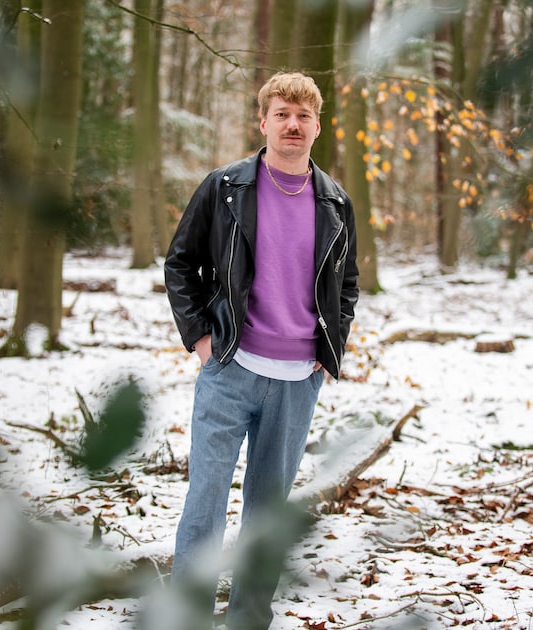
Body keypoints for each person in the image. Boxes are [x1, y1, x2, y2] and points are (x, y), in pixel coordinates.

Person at [163, 71, 360, 629]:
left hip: (298, 379)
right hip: (230, 367)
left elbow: (347, 284)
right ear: (263, 122)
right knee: (204, 504)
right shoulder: (225, 186)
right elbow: (180, 263)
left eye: (303, 116)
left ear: (317, 127)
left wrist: (331, 345)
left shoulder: (336, 202)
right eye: (282, 115)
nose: (292, 125)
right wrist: (201, 337)